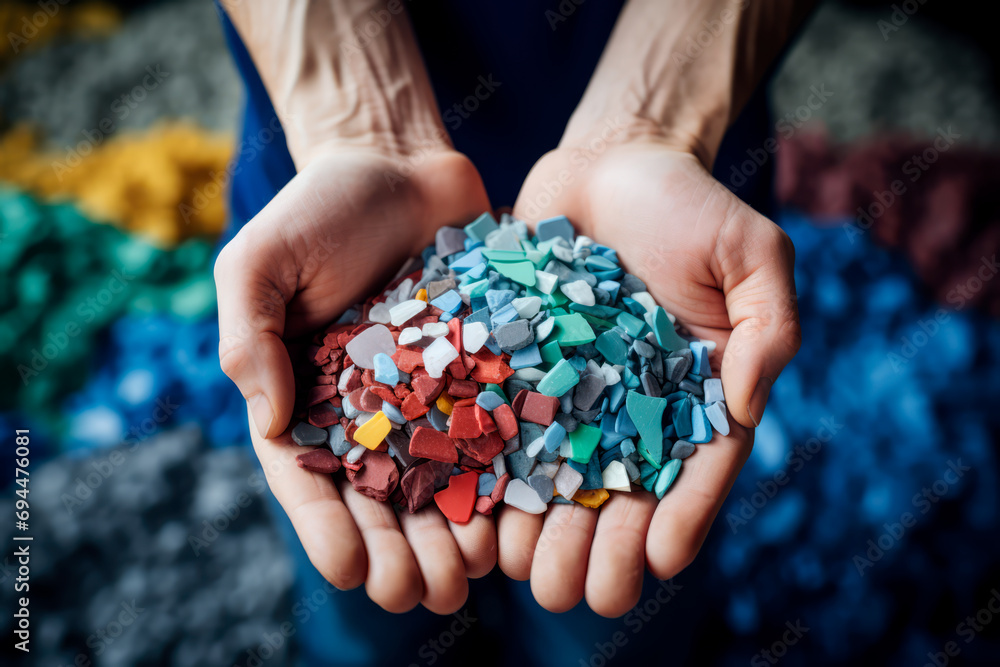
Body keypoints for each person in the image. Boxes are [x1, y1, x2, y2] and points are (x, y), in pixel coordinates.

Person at [213, 0, 808, 662]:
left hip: (666, 210)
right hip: (336, 220)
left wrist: (652, 123)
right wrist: (361, 125)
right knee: (363, 616)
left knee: (614, 629)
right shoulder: (380, 356)